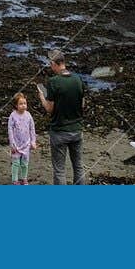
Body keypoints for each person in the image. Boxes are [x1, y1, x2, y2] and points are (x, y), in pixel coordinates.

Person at [38, 51, 87, 184]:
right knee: (78, 166)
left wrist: (42, 97)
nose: (50, 66)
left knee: (59, 170)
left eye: (50, 64)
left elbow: (49, 109)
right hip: (77, 129)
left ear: (54, 64)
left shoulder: (53, 82)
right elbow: (82, 104)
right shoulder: (77, 79)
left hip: (59, 131)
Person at [6, 92, 36, 184]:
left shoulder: (28, 115)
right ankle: (15, 180)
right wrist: (12, 144)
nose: (23, 105)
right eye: (21, 104)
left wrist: (33, 141)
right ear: (16, 105)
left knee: (25, 163)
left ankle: (24, 178)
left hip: (26, 144)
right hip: (16, 144)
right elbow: (10, 130)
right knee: (15, 163)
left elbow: (32, 128)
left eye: (25, 103)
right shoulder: (13, 116)